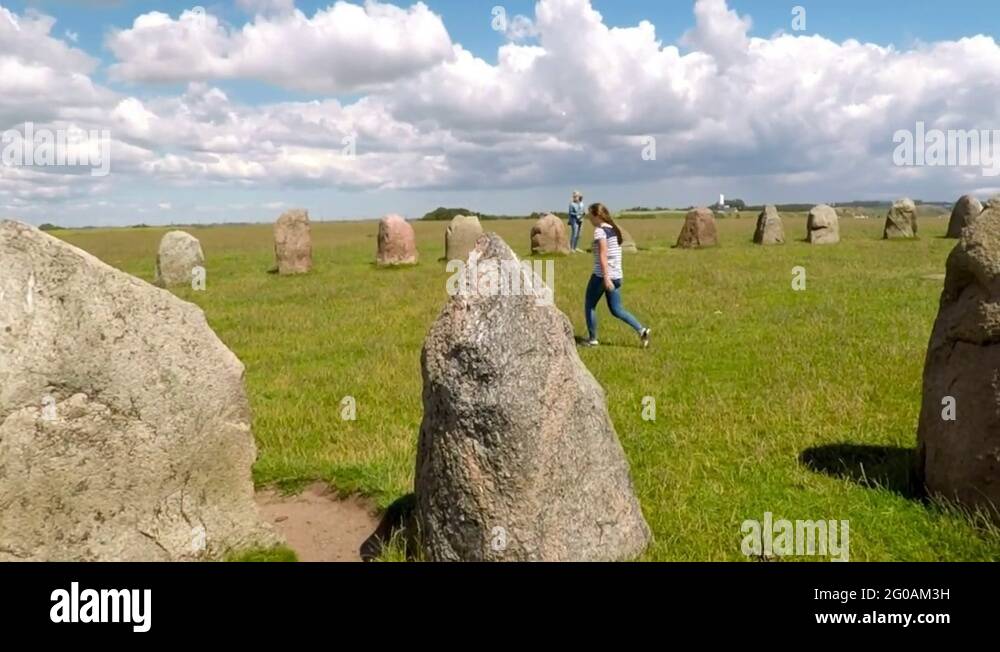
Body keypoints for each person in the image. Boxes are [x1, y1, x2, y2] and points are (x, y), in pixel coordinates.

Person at [583, 203, 650, 348]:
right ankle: (642, 330)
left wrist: (606, 278)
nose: (589, 218)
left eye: (590, 215)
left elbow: (603, 255)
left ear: (597, 215)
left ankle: (592, 340)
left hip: (602, 276)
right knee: (617, 309)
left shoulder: (600, 231)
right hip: (617, 275)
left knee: (590, 305)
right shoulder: (613, 229)